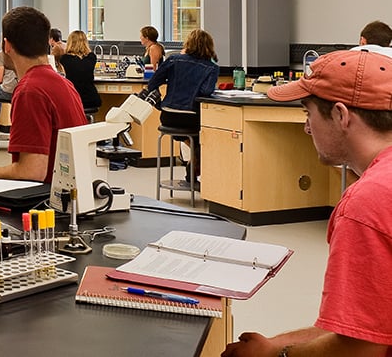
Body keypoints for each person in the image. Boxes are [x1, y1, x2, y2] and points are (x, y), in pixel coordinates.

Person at [223, 48, 392, 357]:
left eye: (307, 113)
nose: (306, 127)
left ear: (341, 115)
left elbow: (361, 349)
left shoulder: (367, 203)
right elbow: (368, 323)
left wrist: (277, 355)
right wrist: (277, 342)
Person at [0, 7, 87, 183]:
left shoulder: (29, 91)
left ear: (7, 46)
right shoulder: (64, 83)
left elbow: (32, 171)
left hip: (43, 200)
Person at [142, 28, 219, 187]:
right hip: (191, 118)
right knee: (207, 133)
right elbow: (205, 92)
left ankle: (195, 159)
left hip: (168, 116)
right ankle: (199, 163)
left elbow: (153, 82)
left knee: (194, 140)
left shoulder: (173, 59)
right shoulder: (211, 68)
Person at [59, 30, 101, 114]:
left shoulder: (65, 58)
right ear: (85, 42)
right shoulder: (92, 57)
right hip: (91, 99)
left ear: (70, 42)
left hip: (73, 99)